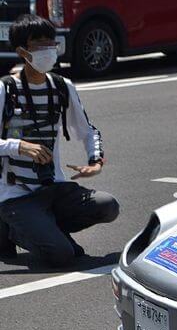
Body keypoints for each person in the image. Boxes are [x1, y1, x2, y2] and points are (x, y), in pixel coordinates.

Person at [0, 14, 118, 266]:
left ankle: (44, 227)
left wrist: (94, 161)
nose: (47, 50)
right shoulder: (5, 89)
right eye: (38, 44)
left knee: (107, 206)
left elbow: (87, 130)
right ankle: (11, 229)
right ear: (22, 51)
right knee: (61, 255)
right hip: (14, 193)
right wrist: (18, 145)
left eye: (50, 43)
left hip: (52, 187)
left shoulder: (62, 86)